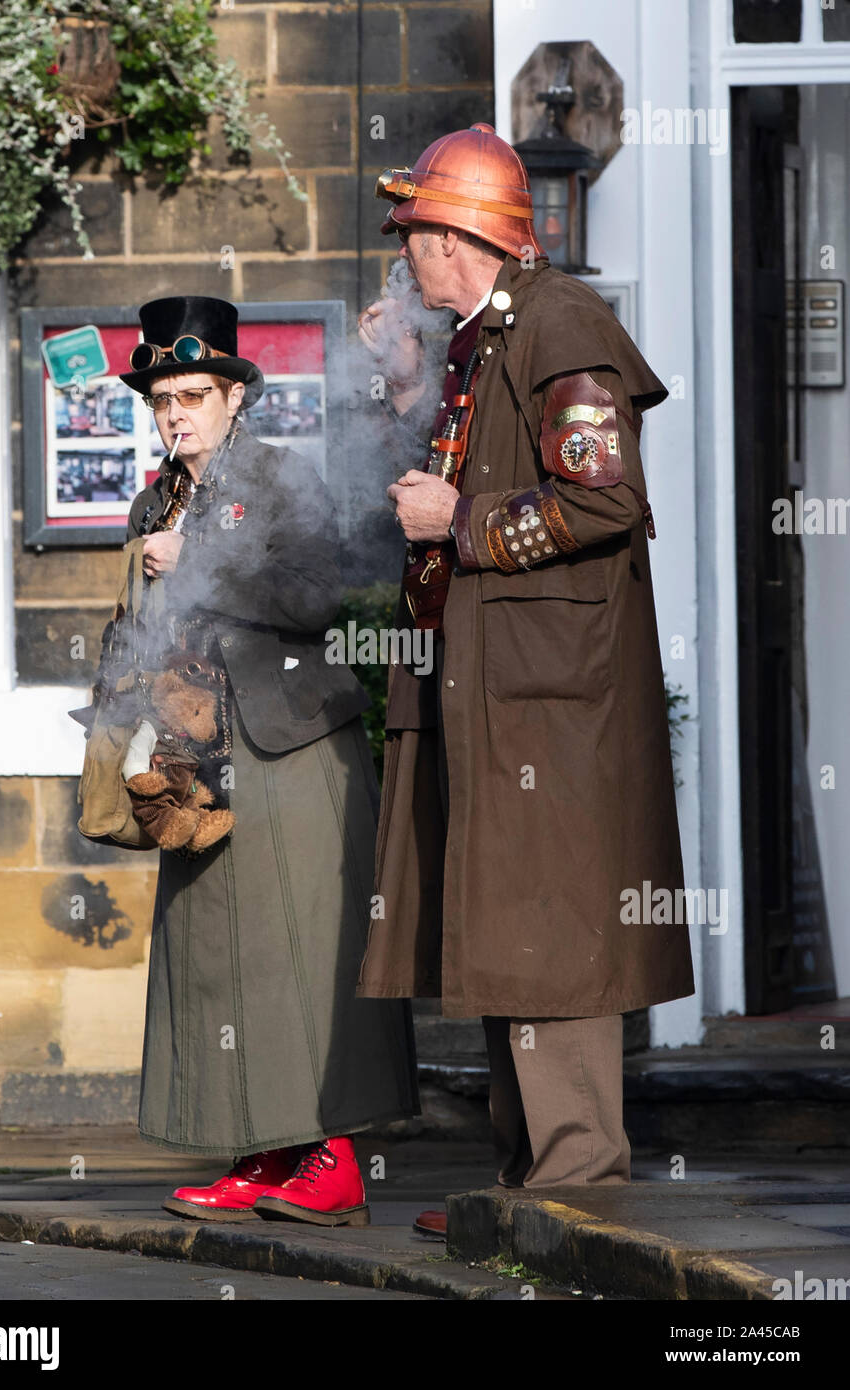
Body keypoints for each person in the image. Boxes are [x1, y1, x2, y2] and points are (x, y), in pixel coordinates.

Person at [355, 124, 695, 1230]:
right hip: (489, 685)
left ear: (460, 238)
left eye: (415, 235)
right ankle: (523, 1187)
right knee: (507, 924)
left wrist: (463, 522)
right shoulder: (482, 337)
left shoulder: (561, 326)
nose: (405, 254)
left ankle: (576, 1185)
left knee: (551, 931)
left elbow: (606, 500)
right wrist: (405, 383)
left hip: (552, 701)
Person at [110, 295, 420, 1226]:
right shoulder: (150, 499)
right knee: (219, 959)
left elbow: (320, 598)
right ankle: (261, 1149)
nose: (177, 414)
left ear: (235, 397)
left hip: (292, 744)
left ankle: (331, 1158)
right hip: (194, 752)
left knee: (300, 948)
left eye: (194, 394)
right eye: (163, 398)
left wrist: (197, 562)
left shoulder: (283, 479)